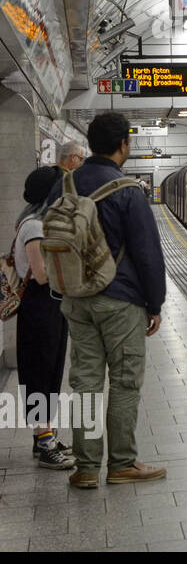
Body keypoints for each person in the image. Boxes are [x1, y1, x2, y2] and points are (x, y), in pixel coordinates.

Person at [47, 112, 167, 489]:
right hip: (120, 301)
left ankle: (85, 468)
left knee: (85, 383)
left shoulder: (63, 186)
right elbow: (148, 253)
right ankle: (121, 464)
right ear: (123, 145)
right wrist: (155, 303)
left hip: (75, 300)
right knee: (124, 382)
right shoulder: (128, 190)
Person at [13, 166, 75, 469]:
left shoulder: (39, 222)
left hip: (49, 308)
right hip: (39, 309)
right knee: (40, 373)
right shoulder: (34, 226)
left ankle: (44, 437)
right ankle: (44, 439)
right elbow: (40, 274)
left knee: (50, 372)